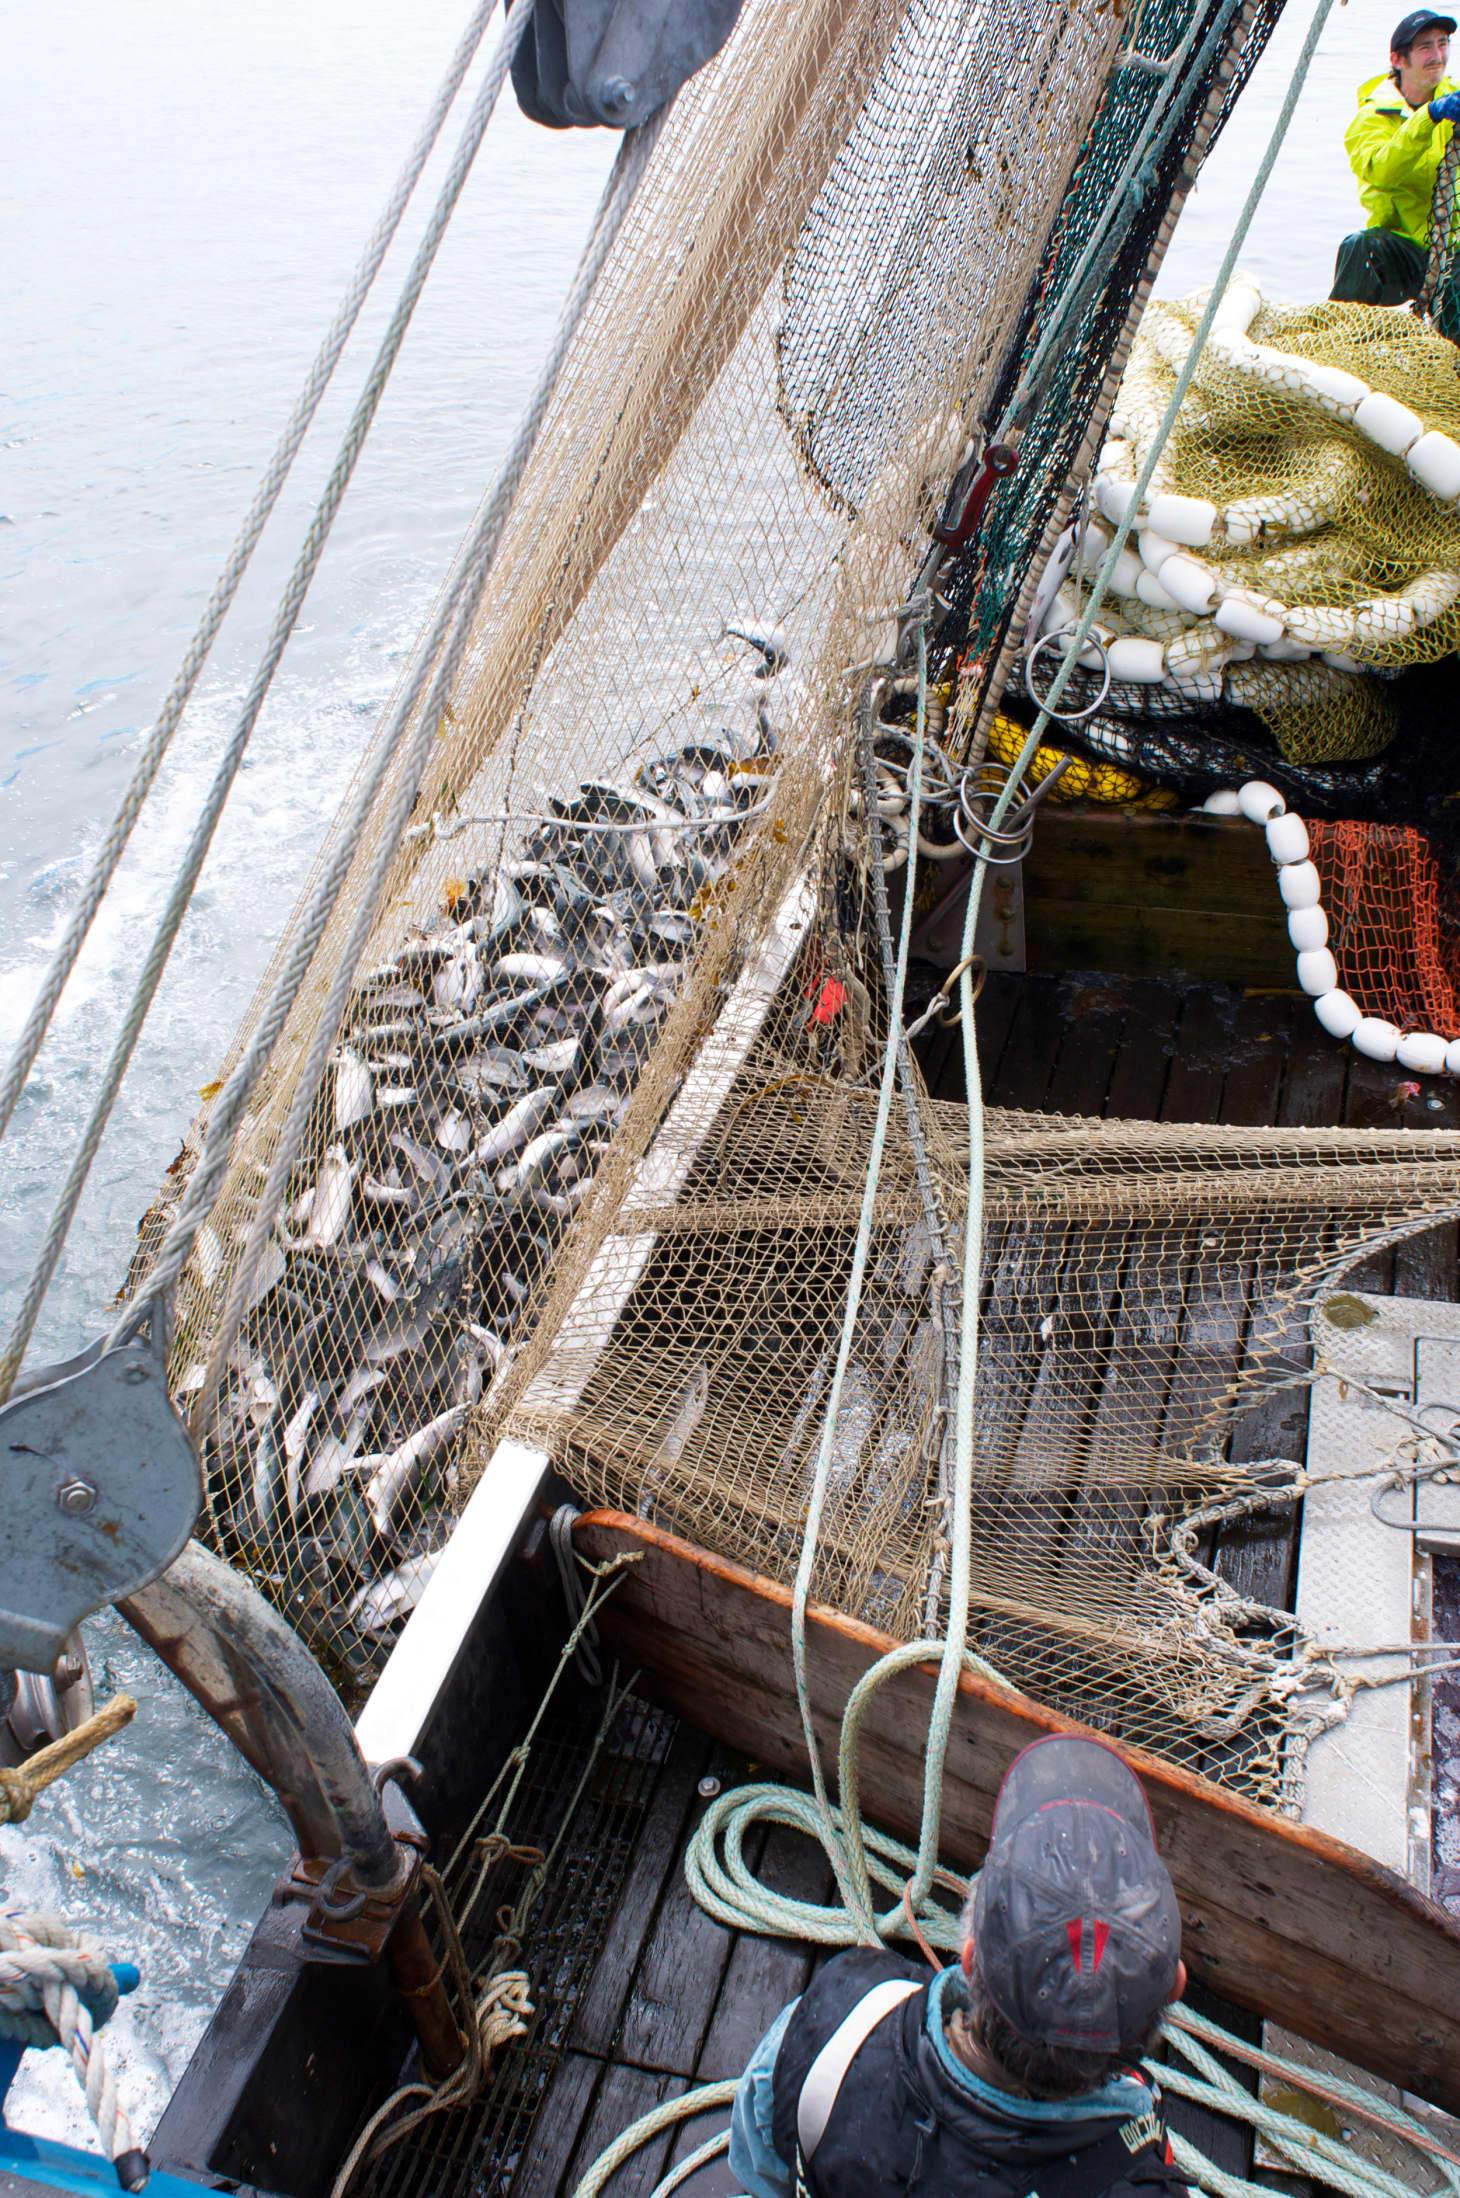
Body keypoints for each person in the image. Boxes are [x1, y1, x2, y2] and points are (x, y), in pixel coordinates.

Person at [728, 1734, 1191, 2198]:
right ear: (1175, 1986)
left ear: (970, 1961)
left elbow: (760, 2158)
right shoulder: (1141, 2180)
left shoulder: (844, 2015)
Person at [1333, 9, 1460, 305]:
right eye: (1425, 47)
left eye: (1442, 44)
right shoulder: (1371, 118)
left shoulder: (1454, 98)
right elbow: (1383, 172)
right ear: (1398, 60)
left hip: (1453, 247)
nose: (1437, 56)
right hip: (1404, 251)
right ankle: (1345, 326)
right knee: (1360, 247)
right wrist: (1429, 116)